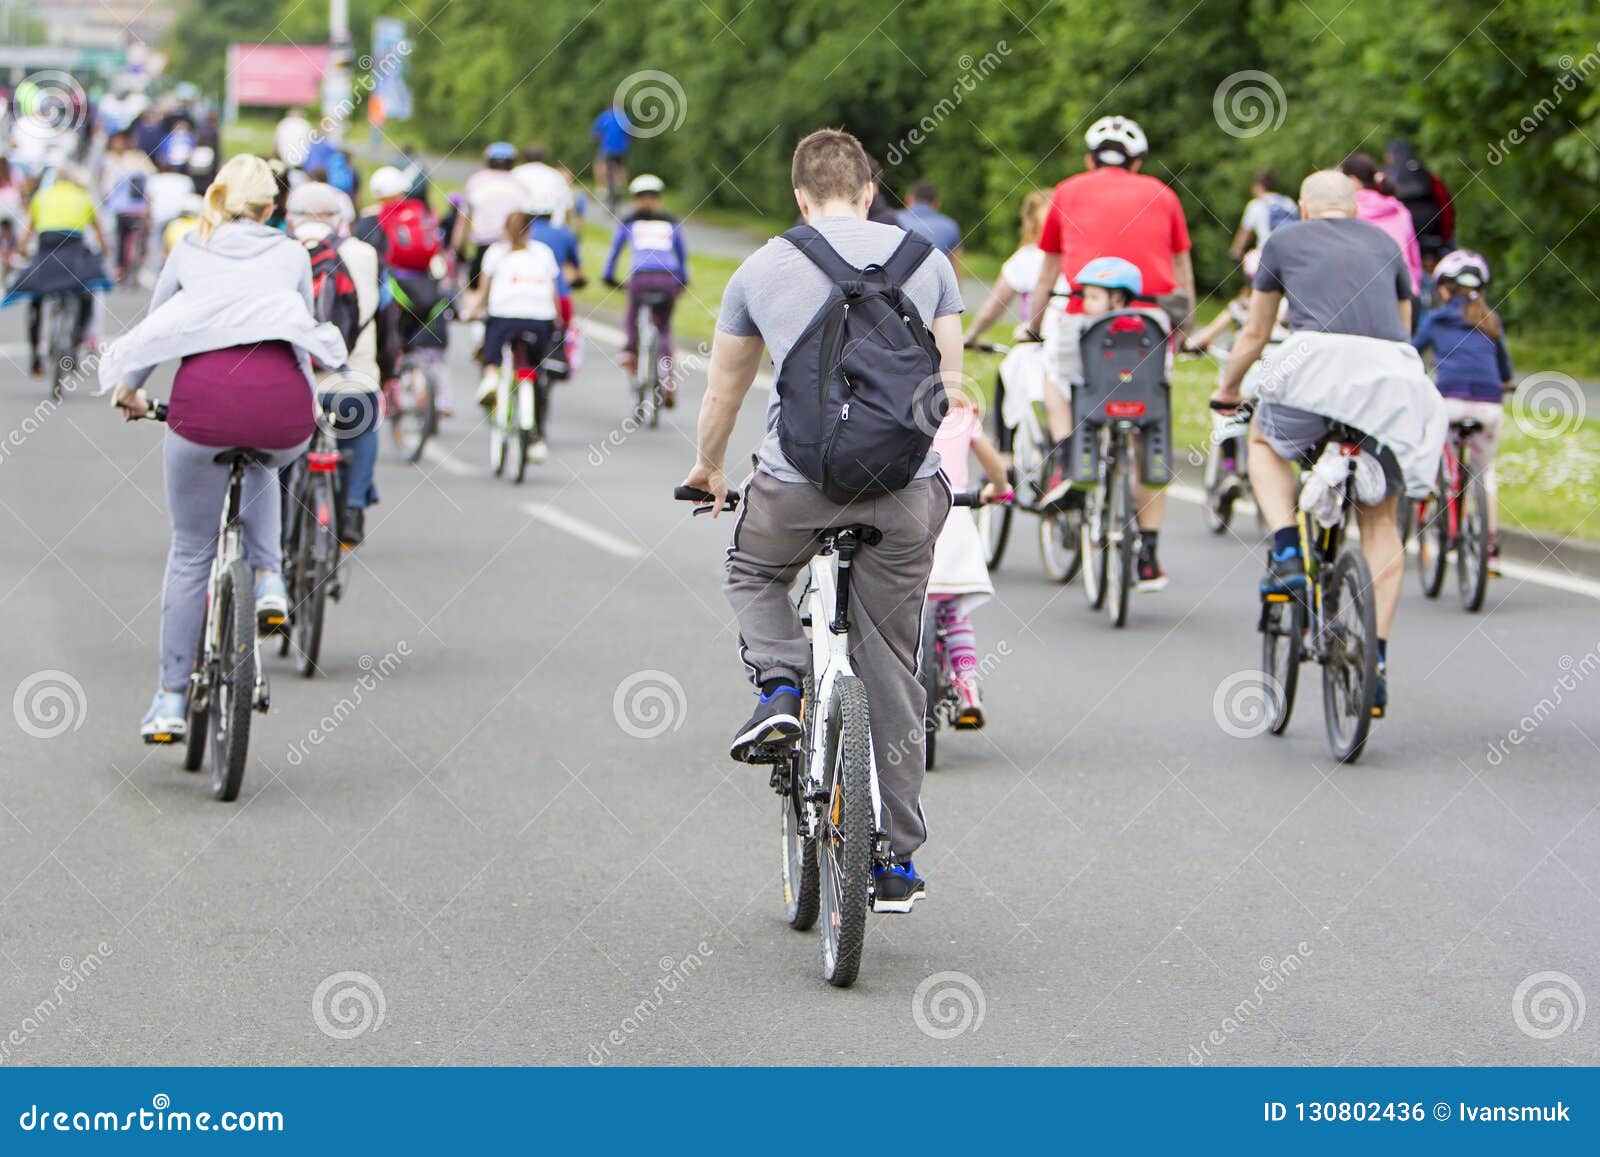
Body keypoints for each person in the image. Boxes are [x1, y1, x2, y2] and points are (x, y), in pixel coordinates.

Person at [679, 128, 963, 911]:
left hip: (795, 485)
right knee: (891, 662)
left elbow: (724, 393)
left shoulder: (761, 266)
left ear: (800, 197)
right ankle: (895, 859)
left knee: (753, 569)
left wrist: (709, 469)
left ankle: (780, 687)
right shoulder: (929, 262)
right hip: (903, 491)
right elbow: (948, 385)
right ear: (869, 191)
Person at [102, 155, 347, 742]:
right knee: (266, 456)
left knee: (192, 551)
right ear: (271, 206)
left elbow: (156, 329)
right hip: (281, 403)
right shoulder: (290, 253)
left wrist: (131, 390)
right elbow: (298, 335)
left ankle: (170, 700)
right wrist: (306, 404)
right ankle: (269, 579)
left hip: (205, 404)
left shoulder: (191, 247)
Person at [1212, 170, 1446, 720]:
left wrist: (1228, 389)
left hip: (1312, 364)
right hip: (1389, 378)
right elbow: (1403, 329)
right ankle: (1375, 662)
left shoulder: (1285, 239)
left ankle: (1287, 548)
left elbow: (1255, 332)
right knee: (1381, 522)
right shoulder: (1387, 244)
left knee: (1264, 440)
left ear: (1304, 207)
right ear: (1355, 209)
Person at [1025, 115, 1195, 589]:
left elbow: (1048, 273)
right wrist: (1188, 328)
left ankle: (1068, 460)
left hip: (1087, 317)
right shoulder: (1164, 195)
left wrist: (1033, 325)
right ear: (1136, 162)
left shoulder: (1066, 190)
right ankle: (1149, 555)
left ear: (1089, 159)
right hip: (1150, 322)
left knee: (1057, 379)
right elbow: (1183, 273)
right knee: (1147, 426)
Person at [287, 181, 388, 548]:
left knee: (283, 449)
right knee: (362, 426)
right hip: (350, 376)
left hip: (297, 380)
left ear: (290, 218)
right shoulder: (364, 254)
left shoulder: (282, 252)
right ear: (339, 218)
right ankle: (354, 507)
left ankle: (280, 517)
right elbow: (382, 309)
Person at [1411, 250, 1513, 574]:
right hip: (1488, 405)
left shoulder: (1436, 319)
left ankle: (1437, 495)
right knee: (1485, 471)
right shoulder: (1490, 320)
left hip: (1450, 403)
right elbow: (1504, 368)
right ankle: (1490, 546)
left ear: (1444, 289)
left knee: (1440, 456)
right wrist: (1506, 384)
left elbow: (1412, 353)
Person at [927, 394, 1012, 727]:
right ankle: (967, 688)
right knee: (954, 613)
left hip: (908, 519)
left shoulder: (896, 407)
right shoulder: (960, 416)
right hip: (953, 519)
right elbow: (995, 467)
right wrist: (1000, 488)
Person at [467, 210, 563, 463]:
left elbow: (484, 292)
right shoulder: (543, 252)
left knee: (492, 338)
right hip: (540, 319)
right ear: (530, 230)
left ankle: (490, 374)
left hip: (504, 317)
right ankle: (537, 437)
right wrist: (558, 320)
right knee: (535, 371)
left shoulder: (495, 253)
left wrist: (473, 311)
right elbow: (553, 292)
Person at [3, 164, 110, 377]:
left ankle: (36, 355)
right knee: (88, 289)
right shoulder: (84, 196)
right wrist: (104, 251)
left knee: (35, 295)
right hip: (74, 251)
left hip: (47, 250)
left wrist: (21, 250)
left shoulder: (41, 196)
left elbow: (29, 232)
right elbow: (99, 232)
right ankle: (77, 341)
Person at [603, 174, 689, 405]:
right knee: (664, 328)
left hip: (640, 278)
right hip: (667, 279)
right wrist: (683, 281)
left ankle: (630, 351)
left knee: (632, 314)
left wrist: (609, 277)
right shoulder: (670, 222)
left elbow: (614, 253)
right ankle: (668, 378)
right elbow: (682, 256)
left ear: (635, 200)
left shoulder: (629, 222)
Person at [962, 189, 1067, 344]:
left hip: (1036, 338)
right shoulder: (1077, 256)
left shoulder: (1025, 257)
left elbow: (994, 307)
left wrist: (971, 336)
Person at [1341, 153, 1422, 302]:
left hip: (1368, 296)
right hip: (1405, 292)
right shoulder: (1399, 209)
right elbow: (1414, 258)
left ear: (1352, 180)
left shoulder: (1349, 212)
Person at [452, 142, 528, 289]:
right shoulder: (520, 183)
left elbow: (463, 220)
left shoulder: (476, 181)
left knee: (475, 290)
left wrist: (458, 249)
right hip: (509, 246)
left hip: (483, 245)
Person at [1383, 139, 1454, 260]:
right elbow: (1446, 208)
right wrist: (1446, 238)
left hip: (1401, 242)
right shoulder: (1429, 177)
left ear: (1389, 157)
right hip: (1434, 238)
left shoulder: (1385, 179)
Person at [896, 179, 964, 280]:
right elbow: (955, 271)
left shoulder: (892, 219)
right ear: (937, 203)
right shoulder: (950, 226)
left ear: (908, 199)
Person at [1228, 170, 1298, 261]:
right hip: (1291, 253)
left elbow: (1245, 233)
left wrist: (1236, 250)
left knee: (1250, 261)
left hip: (1267, 254)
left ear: (1259, 186)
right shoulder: (1288, 202)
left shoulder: (1255, 205)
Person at [513, 144, 576, 230]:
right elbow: (568, 207)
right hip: (554, 229)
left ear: (524, 158)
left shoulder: (515, 173)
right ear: (544, 159)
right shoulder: (556, 175)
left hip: (521, 230)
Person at [591, 103, 631, 204]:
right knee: (621, 167)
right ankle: (621, 187)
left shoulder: (604, 116)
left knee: (600, 165)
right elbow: (630, 133)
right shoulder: (624, 117)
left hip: (607, 149)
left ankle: (601, 188)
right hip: (622, 149)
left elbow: (595, 133)